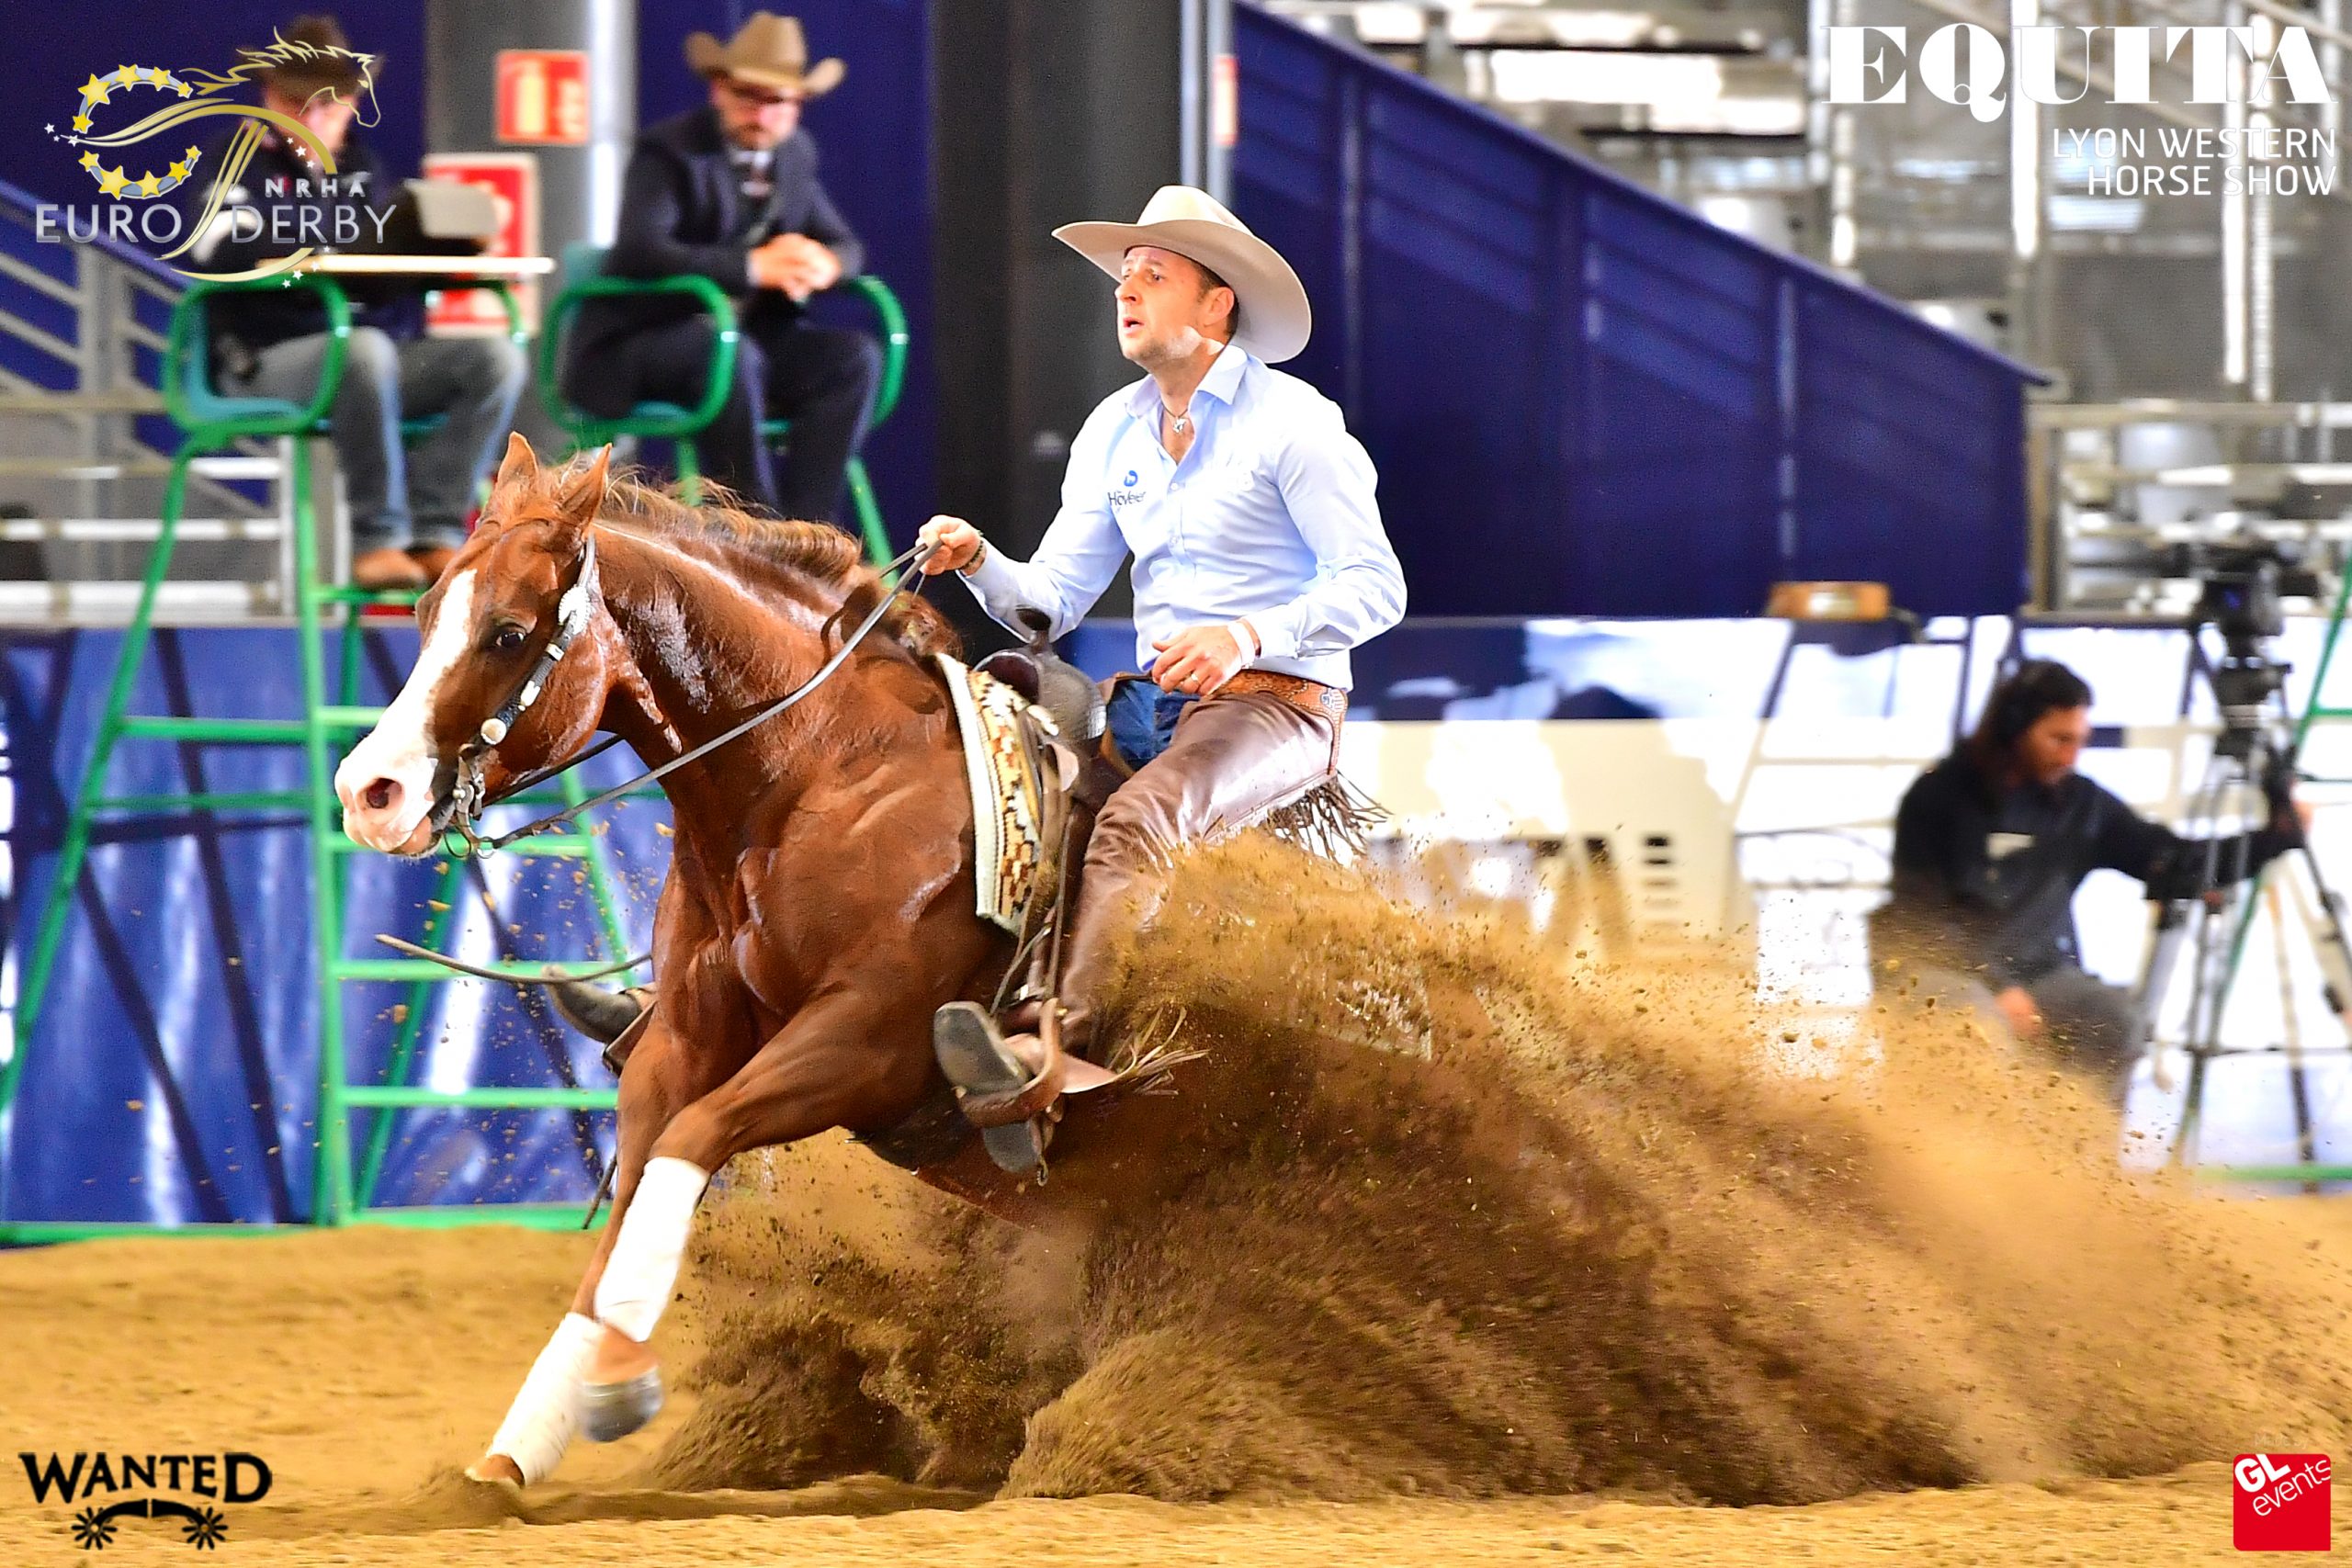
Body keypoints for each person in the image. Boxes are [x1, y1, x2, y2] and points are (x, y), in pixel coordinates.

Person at [916, 185, 1408, 1166]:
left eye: (1153, 274)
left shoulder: (1294, 424)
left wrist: (1245, 636)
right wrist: (980, 563)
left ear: (1215, 302)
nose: (1125, 291)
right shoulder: (1112, 431)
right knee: (1014, 810)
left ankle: (1066, 1044)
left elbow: (1376, 587)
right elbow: (1051, 601)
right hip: (1162, 712)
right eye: (1122, 277)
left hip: (1281, 706)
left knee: (1137, 821)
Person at [188, 15, 526, 589]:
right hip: (261, 361)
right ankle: (378, 539)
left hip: (369, 355)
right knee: (363, 348)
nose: (316, 119)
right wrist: (324, 241)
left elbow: (376, 271)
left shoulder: (363, 168)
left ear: (352, 102)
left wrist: (441, 252)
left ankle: (437, 530)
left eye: (331, 104)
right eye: (300, 104)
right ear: (271, 97)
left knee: (495, 358)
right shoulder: (233, 160)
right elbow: (208, 248)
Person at [1872, 657, 2311, 1096]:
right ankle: (1962, 1159)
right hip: (1942, 970)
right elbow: (1920, 916)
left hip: (2040, 973)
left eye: (2079, 741)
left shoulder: (2081, 806)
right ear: (2013, 729)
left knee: (2115, 1022)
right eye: (2058, 739)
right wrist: (1998, 989)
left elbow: (2173, 861)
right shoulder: (1939, 797)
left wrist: (2273, 840)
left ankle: (2088, 1160)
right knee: (1975, 1022)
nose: (2070, 755)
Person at [563, 12, 879, 525]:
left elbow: (844, 243)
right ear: (718, 90)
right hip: (642, 344)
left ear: (797, 107)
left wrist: (826, 263)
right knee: (728, 353)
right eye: (746, 95)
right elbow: (640, 251)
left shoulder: (794, 157)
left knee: (853, 358)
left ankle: (806, 533)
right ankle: (754, 526)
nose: (760, 113)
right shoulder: (670, 152)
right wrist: (754, 268)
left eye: (776, 101)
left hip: (744, 345)